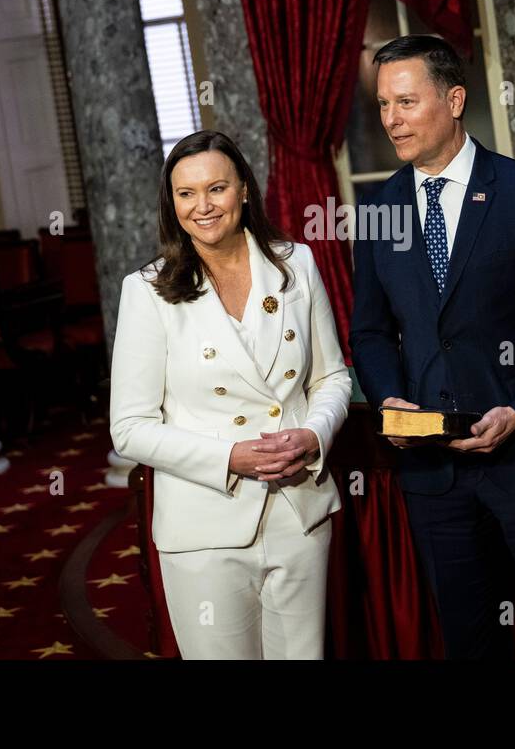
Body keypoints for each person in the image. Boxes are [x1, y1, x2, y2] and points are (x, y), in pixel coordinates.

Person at [350, 34, 515, 659]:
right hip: (433, 477)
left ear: (455, 98)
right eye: (384, 105)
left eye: (406, 102)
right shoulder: (377, 210)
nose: (391, 119)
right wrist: (389, 398)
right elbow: (369, 331)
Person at [109, 129, 351, 659]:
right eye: (186, 194)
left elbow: (332, 377)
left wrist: (313, 434)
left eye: (216, 188)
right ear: (171, 205)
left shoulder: (296, 264)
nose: (202, 206)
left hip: (298, 512)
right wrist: (231, 457)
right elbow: (129, 428)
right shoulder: (147, 291)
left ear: (243, 189)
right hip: (205, 524)